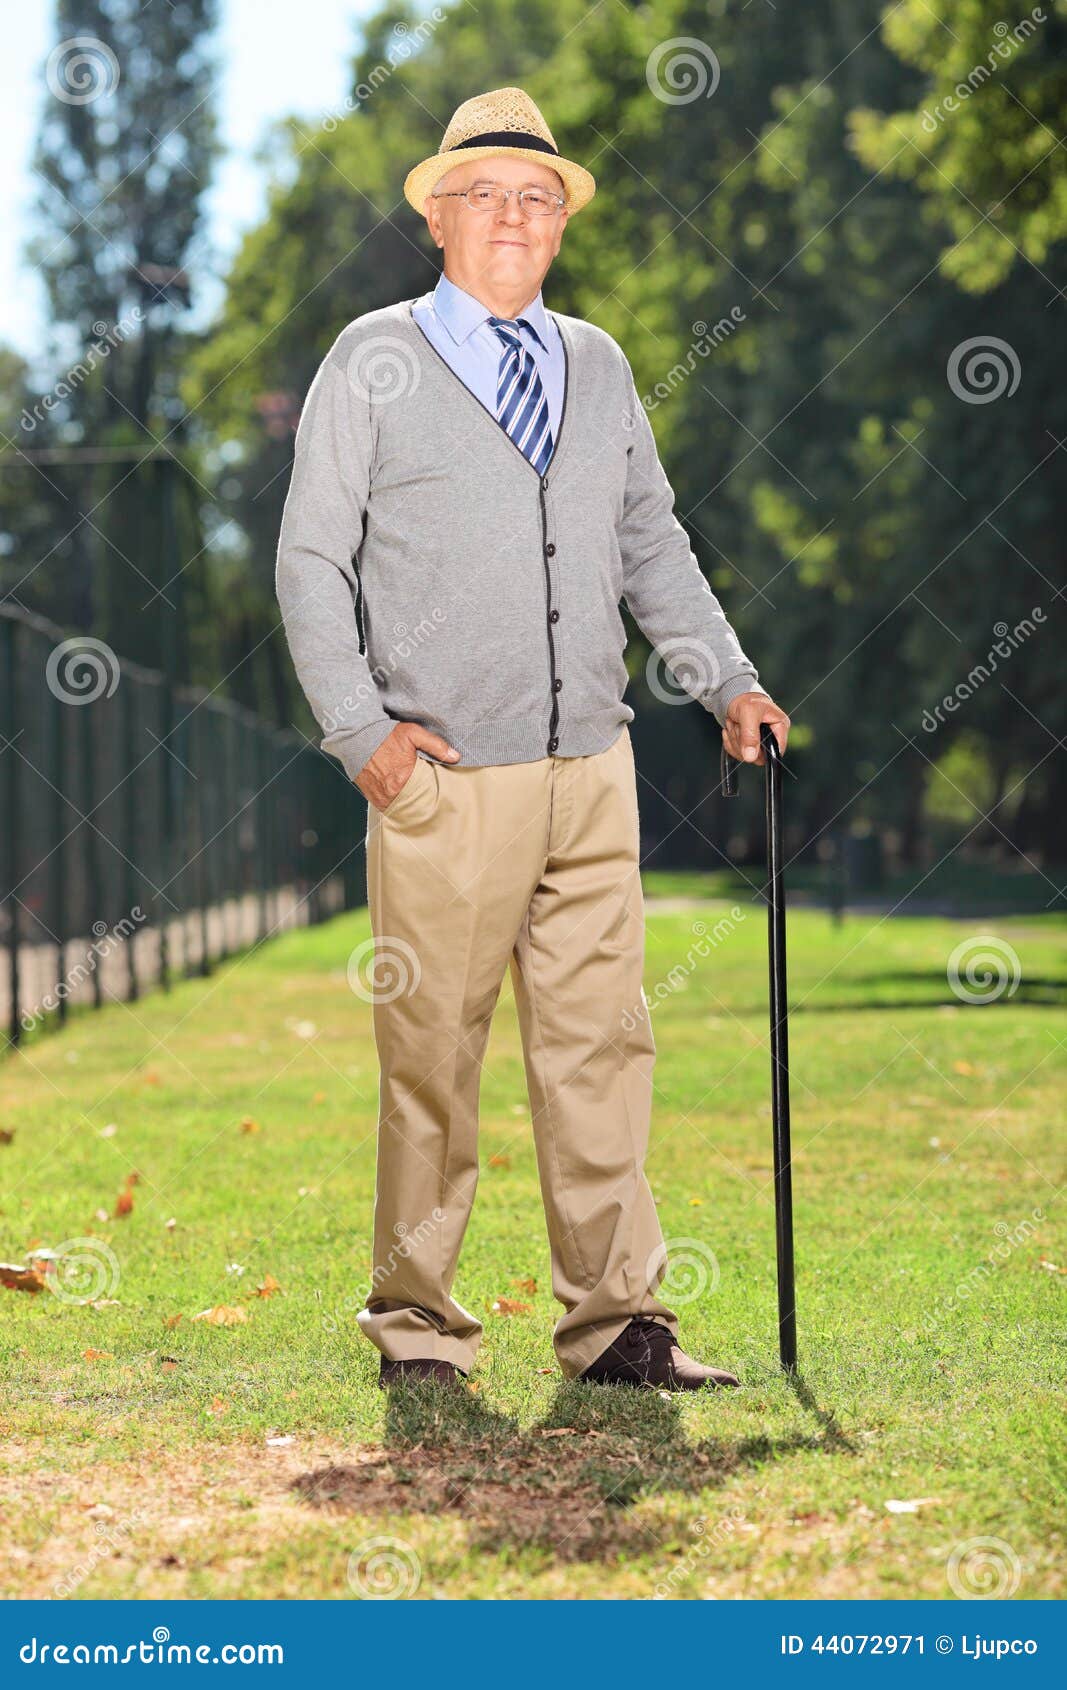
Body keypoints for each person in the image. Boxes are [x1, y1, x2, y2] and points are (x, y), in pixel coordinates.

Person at [275, 87, 790, 1393]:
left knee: (603, 1045)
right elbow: (309, 557)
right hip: (445, 778)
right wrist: (361, 733)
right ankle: (419, 1328)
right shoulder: (372, 358)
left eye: (537, 195)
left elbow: (649, 545)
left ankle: (619, 1322)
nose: (513, 214)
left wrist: (724, 679)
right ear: (439, 216)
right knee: (433, 1060)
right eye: (486, 193)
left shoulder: (601, 364)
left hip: (590, 768)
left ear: (560, 224)